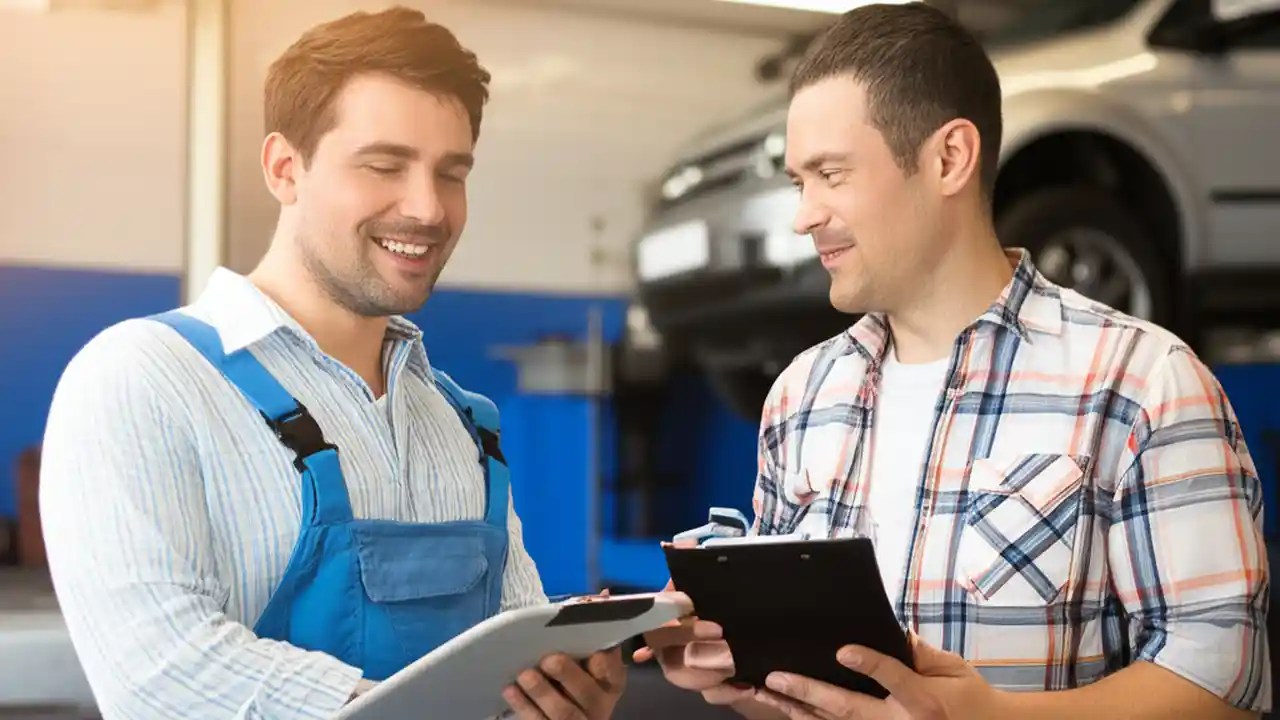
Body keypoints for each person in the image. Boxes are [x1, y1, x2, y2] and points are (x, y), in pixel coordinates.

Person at [640, 3, 1271, 719]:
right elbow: (804, 697)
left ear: (949, 159)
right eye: (798, 182)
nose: (803, 214)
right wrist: (744, 676)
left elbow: (1222, 680)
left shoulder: (1142, 382)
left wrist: (995, 717)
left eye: (831, 174)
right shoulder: (801, 397)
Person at [39, 8, 625, 719]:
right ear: (285, 168)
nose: (428, 208)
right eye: (384, 165)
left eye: (452, 173)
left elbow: (510, 651)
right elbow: (161, 675)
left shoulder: (462, 424)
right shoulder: (139, 380)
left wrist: (556, 696)